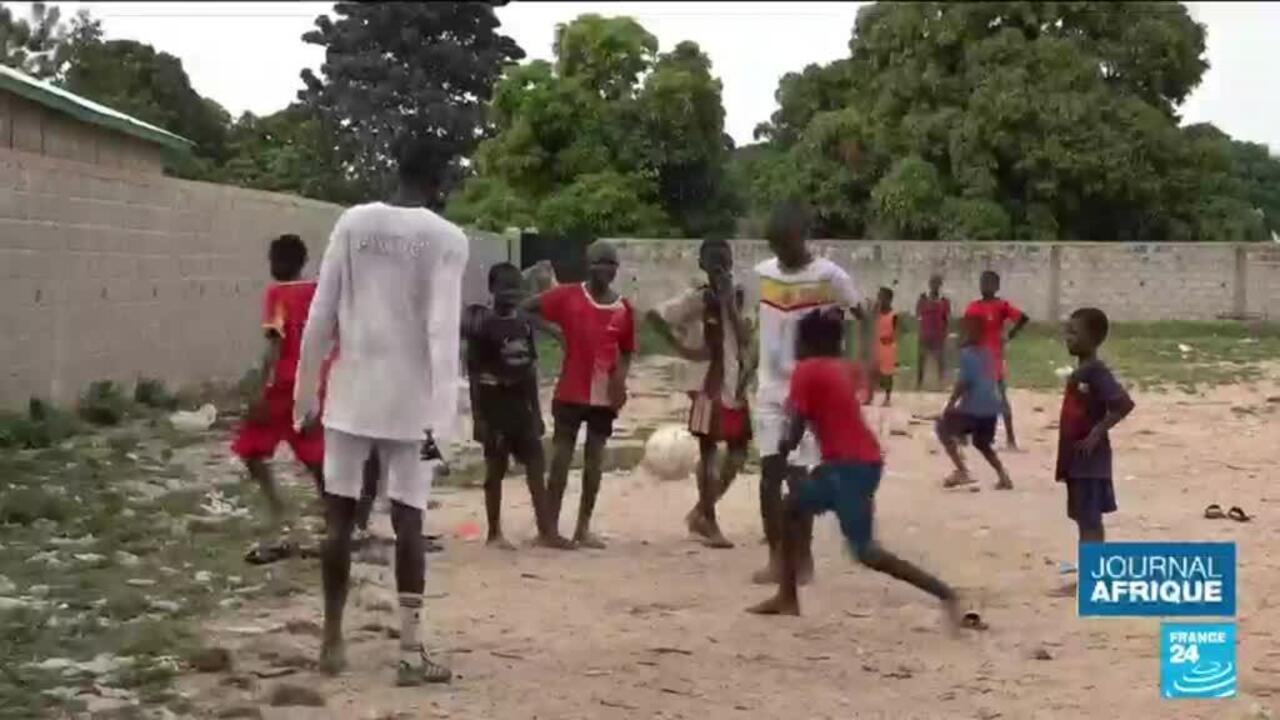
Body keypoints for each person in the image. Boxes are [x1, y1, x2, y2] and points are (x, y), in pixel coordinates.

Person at [294, 138, 467, 685]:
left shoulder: (353, 222)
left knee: (340, 518)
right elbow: (442, 330)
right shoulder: (447, 238)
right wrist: (446, 420)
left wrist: (305, 392)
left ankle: (330, 640)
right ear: (439, 185)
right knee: (408, 517)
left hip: (350, 394)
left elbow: (322, 310)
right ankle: (411, 652)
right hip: (412, 403)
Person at [746, 308, 964, 629]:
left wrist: (779, 448)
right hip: (858, 462)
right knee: (793, 509)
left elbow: (793, 432)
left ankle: (946, 594)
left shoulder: (806, 371)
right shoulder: (840, 368)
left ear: (807, 343)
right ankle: (787, 595)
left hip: (847, 468)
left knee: (866, 552)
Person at [752, 201, 866, 585]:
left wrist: (858, 368)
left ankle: (803, 558)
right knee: (769, 474)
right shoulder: (764, 273)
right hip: (768, 388)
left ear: (802, 238)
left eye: (785, 244)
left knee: (798, 477)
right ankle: (776, 558)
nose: (779, 254)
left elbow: (861, 318)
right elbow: (763, 327)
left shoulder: (830, 276)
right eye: (774, 246)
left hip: (807, 389)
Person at [525, 241, 635, 550]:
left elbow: (626, 350)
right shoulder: (568, 295)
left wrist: (621, 380)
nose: (608, 269)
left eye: (612, 264)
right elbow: (526, 308)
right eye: (602, 263)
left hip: (604, 396)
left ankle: (583, 527)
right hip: (571, 391)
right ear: (590, 265)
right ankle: (549, 528)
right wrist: (554, 332)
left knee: (595, 461)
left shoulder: (623, 309)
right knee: (560, 459)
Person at [646, 238, 754, 549]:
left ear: (732, 262)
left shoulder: (739, 296)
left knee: (738, 451)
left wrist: (728, 303)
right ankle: (708, 519)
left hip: (734, 384)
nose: (720, 264)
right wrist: (681, 347)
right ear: (702, 265)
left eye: (724, 258)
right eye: (713, 259)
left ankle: (702, 511)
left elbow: (745, 337)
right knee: (708, 450)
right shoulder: (695, 299)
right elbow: (655, 316)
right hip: (706, 386)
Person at [231, 234, 329, 563]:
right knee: (313, 454)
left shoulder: (277, 294)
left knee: (251, 448)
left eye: (273, 259)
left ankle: (278, 507)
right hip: (312, 383)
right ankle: (334, 516)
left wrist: (259, 388)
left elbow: (273, 344)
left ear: (281, 262)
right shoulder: (317, 292)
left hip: (283, 385)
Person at [463, 262, 572, 550]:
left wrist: (536, 413)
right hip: (494, 406)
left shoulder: (523, 323)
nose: (510, 295)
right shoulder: (481, 325)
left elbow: (530, 370)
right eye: (504, 289)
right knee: (495, 471)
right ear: (492, 290)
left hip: (520, 406)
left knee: (536, 467)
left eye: (515, 289)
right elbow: (474, 375)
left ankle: (547, 530)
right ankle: (494, 532)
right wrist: (479, 419)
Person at [1052, 307, 1135, 595]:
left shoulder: (1096, 372)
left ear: (1094, 339)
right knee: (1082, 518)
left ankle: (1092, 580)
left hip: (1091, 461)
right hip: (1077, 460)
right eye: (1067, 332)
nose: (1068, 338)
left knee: (1089, 521)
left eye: (1075, 333)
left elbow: (1123, 403)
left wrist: (1096, 433)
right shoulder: (1081, 372)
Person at [935, 312, 1012, 490]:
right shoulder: (986, 353)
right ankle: (1003, 476)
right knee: (982, 443)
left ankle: (962, 470)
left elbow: (964, 383)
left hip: (974, 409)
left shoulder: (967, 354)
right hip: (991, 409)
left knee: (942, 427)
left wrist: (950, 404)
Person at [965, 271, 1029, 450]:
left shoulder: (1001, 306)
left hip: (993, 359)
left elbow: (1023, 318)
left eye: (989, 283)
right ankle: (974, 434)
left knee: (1001, 398)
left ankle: (1010, 439)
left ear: (997, 286)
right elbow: (968, 331)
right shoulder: (973, 307)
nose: (985, 286)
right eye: (983, 282)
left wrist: (1010, 335)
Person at [915, 274, 951, 389]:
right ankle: (919, 383)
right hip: (925, 334)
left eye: (937, 283)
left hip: (938, 335)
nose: (935, 286)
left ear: (940, 285)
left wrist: (945, 333)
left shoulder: (944, 301)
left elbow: (946, 318)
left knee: (940, 359)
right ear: (930, 284)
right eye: (933, 283)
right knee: (921, 359)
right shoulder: (923, 299)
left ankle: (942, 382)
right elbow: (918, 315)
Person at [866, 286, 897, 407]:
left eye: (882, 297)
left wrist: (891, 337)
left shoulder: (893, 315)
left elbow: (898, 331)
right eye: (879, 296)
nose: (879, 299)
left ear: (889, 299)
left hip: (887, 347)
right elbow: (870, 319)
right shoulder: (877, 312)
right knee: (872, 372)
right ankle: (869, 397)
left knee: (887, 374)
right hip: (877, 345)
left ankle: (887, 398)